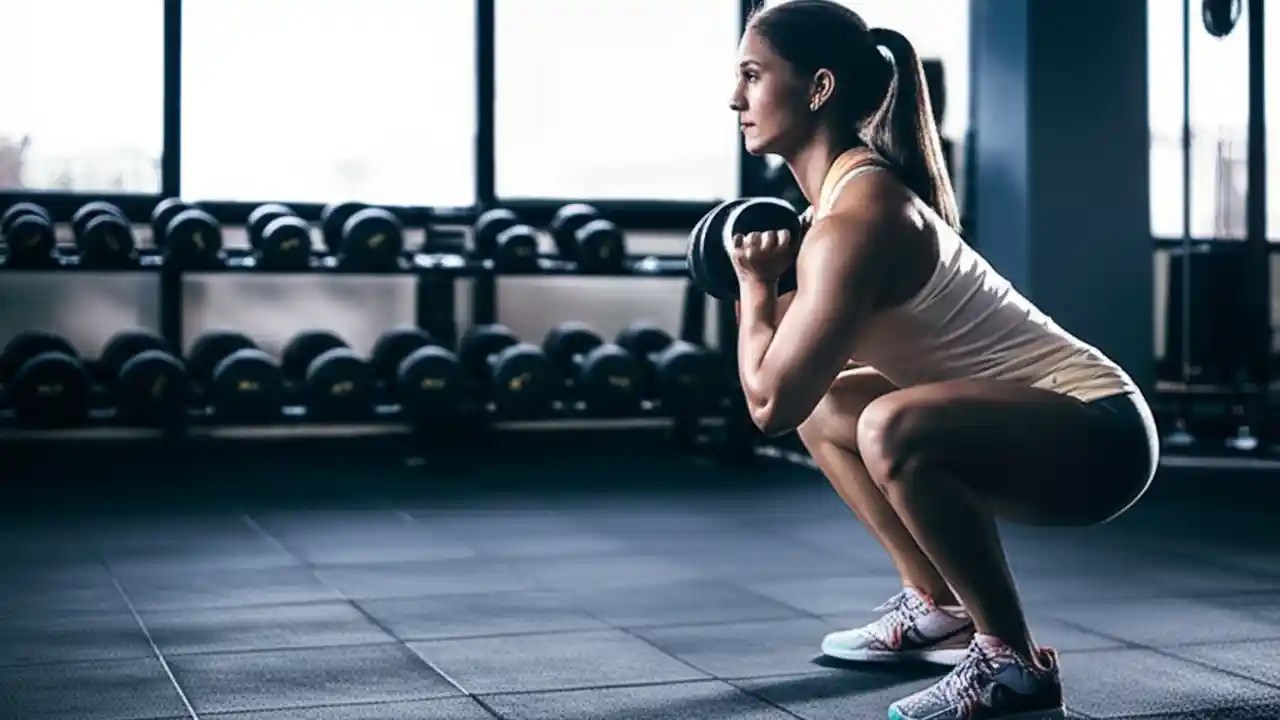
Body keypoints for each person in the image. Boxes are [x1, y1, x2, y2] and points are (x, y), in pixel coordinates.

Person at [725, 1, 1160, 719]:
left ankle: (1011, 663)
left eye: (752, 74)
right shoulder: (837, 208)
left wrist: (753, 286)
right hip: (1048, 428)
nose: (735, 96)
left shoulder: (856, 221)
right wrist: (764, 296)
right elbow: (792, 397)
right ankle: (936, 605)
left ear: (819, 88)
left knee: (889, 424)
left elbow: (764, 406)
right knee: (831, 406)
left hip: (1100, 432)